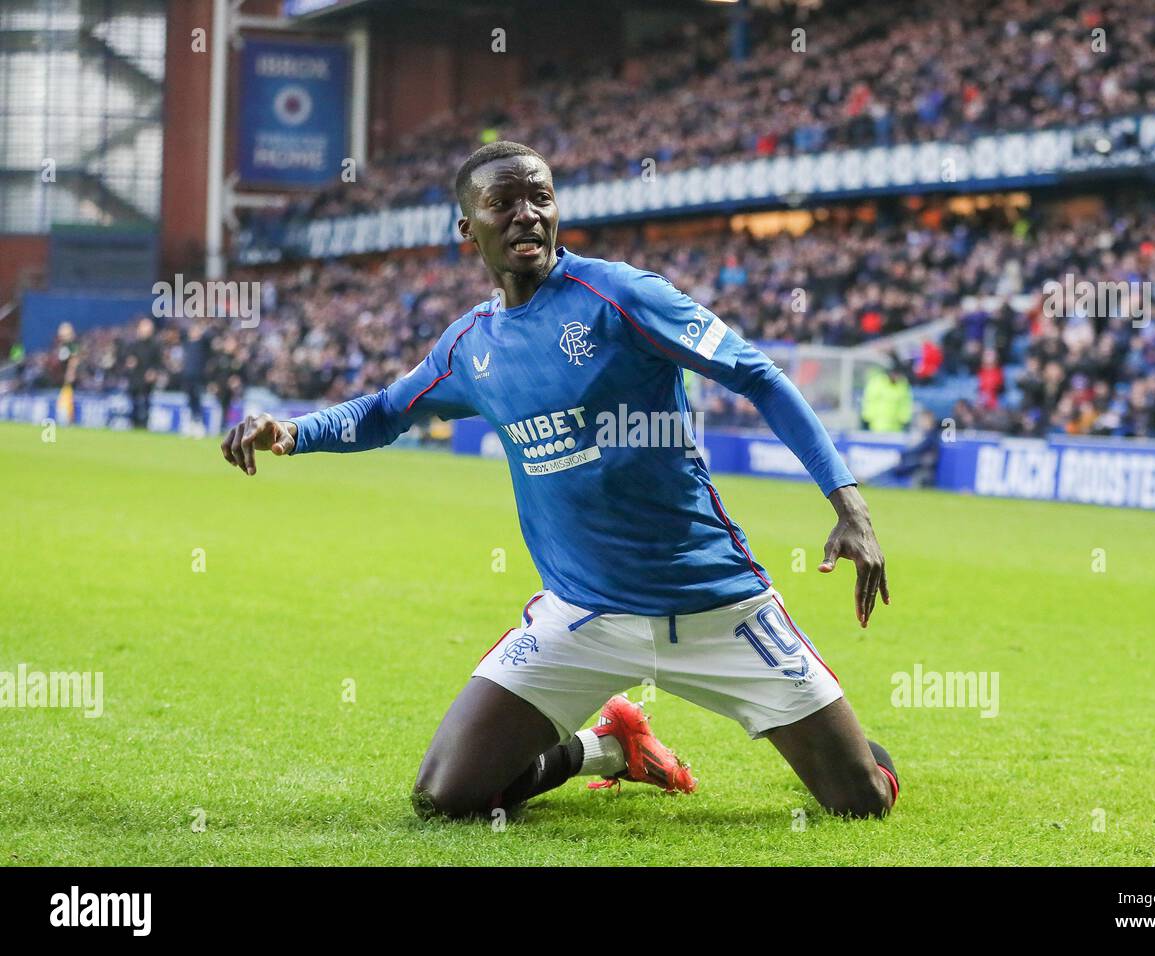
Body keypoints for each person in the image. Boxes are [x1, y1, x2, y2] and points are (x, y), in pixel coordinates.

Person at [220, 142, 898, 821]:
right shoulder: (469, 347)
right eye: (504, 204)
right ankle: (609, 746)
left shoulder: (622, 296)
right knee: (448, 796)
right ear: (468, 229)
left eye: (540, 198)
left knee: (860, 802)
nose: (527, 216)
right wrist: (291, 432)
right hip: (582, 616)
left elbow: (758, 375)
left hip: (712, 605)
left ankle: (846, 748)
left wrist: (850, 506)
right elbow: (386, 412)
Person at [123, 317, 161, 430]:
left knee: (145, 405)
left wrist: (153, 372)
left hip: (147, 381)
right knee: (133, 404)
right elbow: (126, 359)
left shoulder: (155, 346)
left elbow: (158, 362)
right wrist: (129, 362)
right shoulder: (132, 345)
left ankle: (144, 426)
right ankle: (133, 424)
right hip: (134, 379)